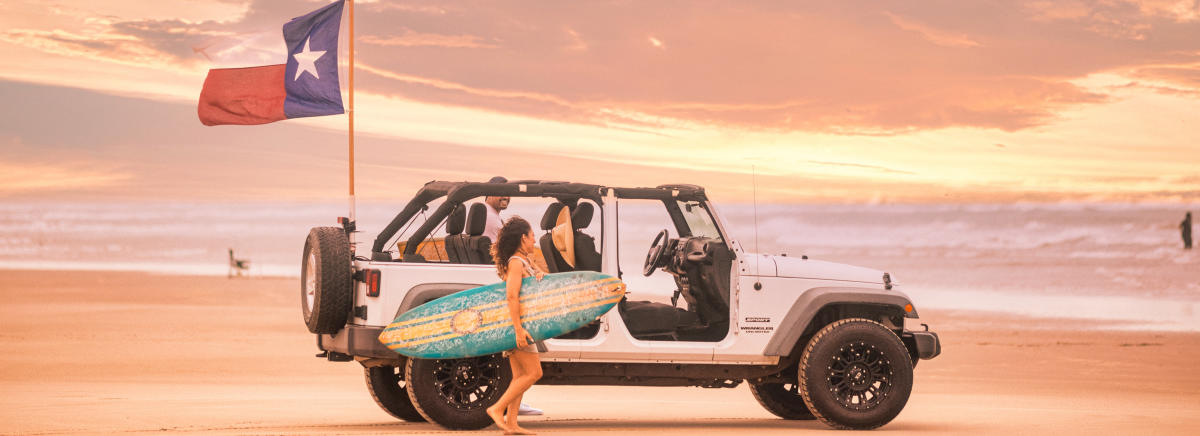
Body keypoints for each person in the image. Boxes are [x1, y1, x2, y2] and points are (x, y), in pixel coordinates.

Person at [486, 217, 546, 435]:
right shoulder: (516, 262)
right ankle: (497, 408)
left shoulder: (526, 261)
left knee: (520, 377)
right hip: (518, 327)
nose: (534, 239)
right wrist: (518, 330)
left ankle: (511, 425)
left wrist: (538, 275)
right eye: (532, 235)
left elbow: (536, 286)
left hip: (519, 325)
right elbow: (512, 297)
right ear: (523, 238)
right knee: (534, 373)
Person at [482, 176, 510, 243]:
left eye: (509, 192)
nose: (506, 197)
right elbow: (496, 251)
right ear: (489, 193)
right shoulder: (491, 217)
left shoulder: (486, 212)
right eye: (501, 192)